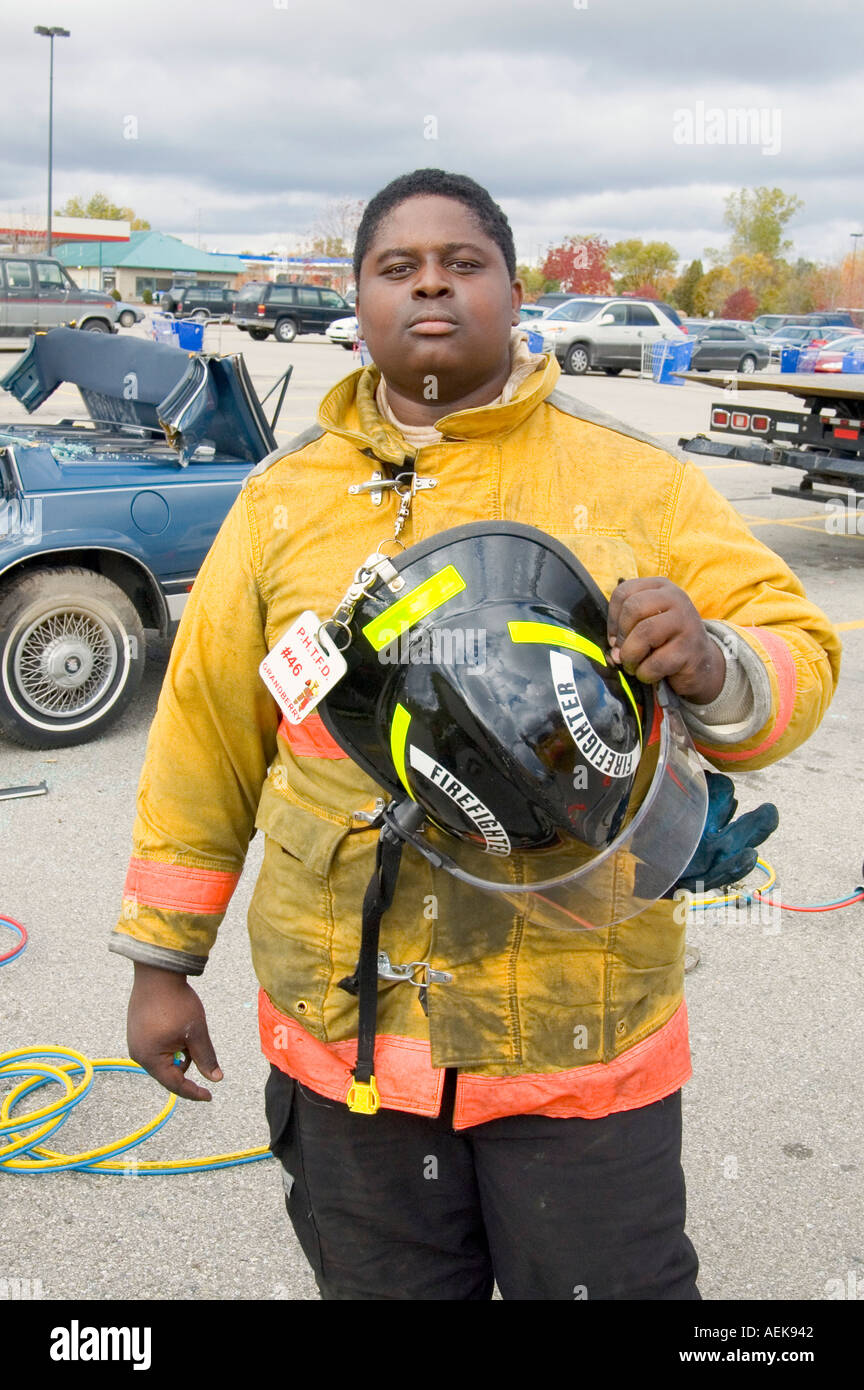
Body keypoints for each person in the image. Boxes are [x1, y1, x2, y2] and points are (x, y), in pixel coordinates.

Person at [112, 168, 840, 1301]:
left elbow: (802, 647)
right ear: (357, 303)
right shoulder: (279, 502)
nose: (432, 285)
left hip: (580, 1051)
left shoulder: (636, 479)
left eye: (465, 263)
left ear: (514, 292)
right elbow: (206, 740)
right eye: (398, 268)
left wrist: (713, 661)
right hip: (350, 1051)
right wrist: (163, 961)